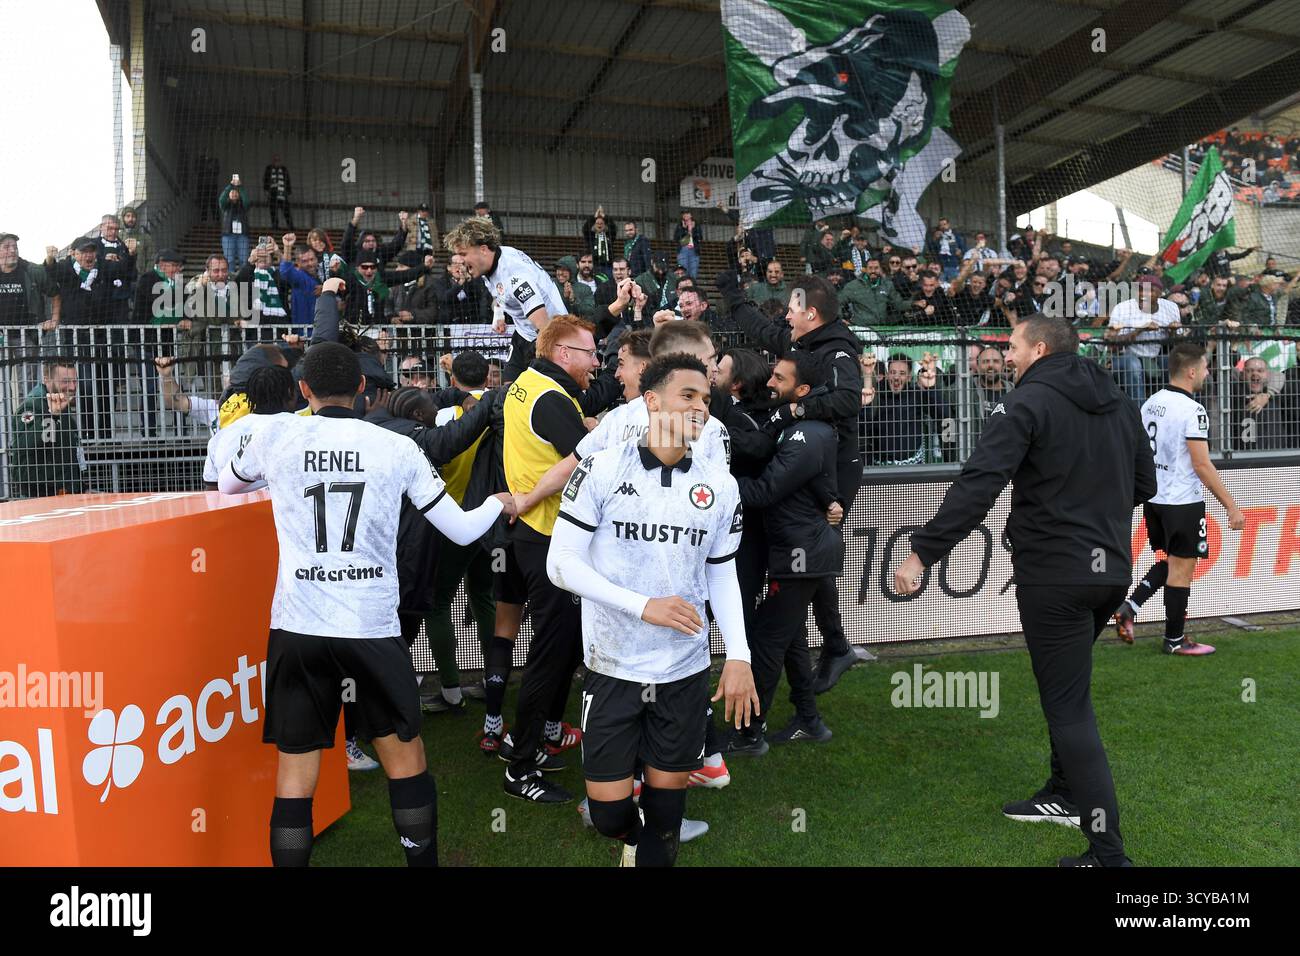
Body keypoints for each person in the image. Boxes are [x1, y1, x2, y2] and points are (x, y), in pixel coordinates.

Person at [217, 342, 518, 867]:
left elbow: (227, 483)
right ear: (362, 389)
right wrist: (499, 501)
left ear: (304, 390)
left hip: (299, 627)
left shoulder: (278, 434)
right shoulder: (395, 447)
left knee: (295, 772)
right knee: (405, 760)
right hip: (371, 628)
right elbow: (463, 528)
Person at [895, 314, 1157, 867]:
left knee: (1070, 709)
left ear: (1038, 349)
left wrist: (923, 551)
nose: (1004, 356)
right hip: (1108, 572)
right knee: (1068, 697)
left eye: (1010, 347)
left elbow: (978, 483)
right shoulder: (1119, 402)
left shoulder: (1027, 402)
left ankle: (1110, 855)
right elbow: (1144, 485)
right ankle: (1063, 794)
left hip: (1055, 577)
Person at [546, 353, 758, 866]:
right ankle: (630, 841)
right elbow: (561, 565)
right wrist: (644, 607)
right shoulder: (602, 466)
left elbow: (721, 573)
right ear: (651, 400)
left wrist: (739, 655)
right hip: (613, 667)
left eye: (706, 399)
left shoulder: (720, 486)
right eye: (687, 395)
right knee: (609, 816)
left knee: (666, 817)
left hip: (683, 672)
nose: (700, 408)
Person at [717, 271, 867, 692]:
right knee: (805, 557)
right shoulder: (802, 345)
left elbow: (847, 399)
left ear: (812, 315)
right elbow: (761, 328)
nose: (785, 314)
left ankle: (825, 645)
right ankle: (829, 648)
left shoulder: (836, 352)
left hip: (832, 468)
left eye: (793, 309)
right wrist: (732, 293)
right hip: (809, 466)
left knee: (810, 553)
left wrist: (792, 412)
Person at [498, 315, 603, 802]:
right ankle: (520, 767)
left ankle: (541, 736)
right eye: (589, 353)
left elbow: (571, 431)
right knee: (550, 655)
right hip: (548, 539)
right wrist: (598, 430)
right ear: (564, 354)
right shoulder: (552, 398)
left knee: (561, 651)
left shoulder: (528, 380)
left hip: (537, 537)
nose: (596, 362)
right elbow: (588, 458)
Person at [724, 351, 841, 756]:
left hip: (800, 556)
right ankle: (809, 720)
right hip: (796, 552)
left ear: (802, 390)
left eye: (779, 377)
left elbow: (763, 492)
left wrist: (714, 482)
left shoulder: (805, 434)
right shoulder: (799, 429)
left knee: (767, 641)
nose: (770, 383)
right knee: (790, 638)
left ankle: (749, 733)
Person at [1114, 343, 1246, 654]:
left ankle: (1129, 608)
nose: (1207, 372)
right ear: (1190, 371)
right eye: (1204, 367)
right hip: (1182, 501)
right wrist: (1231, 505)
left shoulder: (1151, 402)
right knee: (1182, 571)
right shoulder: (1193, 410)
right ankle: (1174, 640)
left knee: (1171, 562)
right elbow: (1201, 464)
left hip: (1155, 499)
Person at [444, 216, 565, 384]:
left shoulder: (514, 274)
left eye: (463, 254)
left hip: (547, 336)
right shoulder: (491, 262)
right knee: (508, 389)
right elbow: (500, 292)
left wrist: (551, 360)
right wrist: (499, 314)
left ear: (483, 249)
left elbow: (543, 322)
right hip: (524, 333)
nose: (460, 261)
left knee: (531, 392)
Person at [202, 365, 298, 489]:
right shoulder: (301, 430)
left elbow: (212, 491)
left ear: (250, 396)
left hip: (234, 507)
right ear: (291, 392)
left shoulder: (220, 438)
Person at [8, 361, 86, 499]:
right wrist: (52, 415)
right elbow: (24, 445)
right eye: (66, 381)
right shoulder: (31, 406)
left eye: (75, 381)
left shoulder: (62, 403)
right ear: (46, 380)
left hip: (66, 493)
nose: (73, 387)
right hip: (41, 497)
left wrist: (81, 487)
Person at [218, 176, 252, 269]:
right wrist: (230, 185)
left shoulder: (243, 205)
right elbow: (221, 199)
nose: (234, 193)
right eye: (231, 192)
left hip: (242, 235)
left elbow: (247, 201)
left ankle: (244, 283)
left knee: (244, 260)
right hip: (228, 235)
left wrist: (240, 187)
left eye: (236, 192)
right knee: (229, 260)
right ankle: (230, 282)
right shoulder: (226, 205)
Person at [263, 156, 294, 231]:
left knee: (286, 210)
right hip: (272, 193)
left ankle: (290, 227)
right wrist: (266, 190)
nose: (277, 162)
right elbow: (266, 179)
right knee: (273, 211)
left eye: (278, 160)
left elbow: (287, 180)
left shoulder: (284, 169)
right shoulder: (269, 168)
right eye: (275, 160)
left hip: (282, 193)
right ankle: (275, 226)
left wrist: (288, 191)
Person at [674, 211, 703, 278]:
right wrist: (684, 229)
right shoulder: (680, 226)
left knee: (693, 272)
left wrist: (691, 230)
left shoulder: (697, 225)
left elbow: (700, 238)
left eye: (687, 213)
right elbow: (676, 238)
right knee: (683, 271)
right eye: (684, 214)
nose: (686, 215)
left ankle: (692, 287)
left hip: (694, 251)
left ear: (691, 215)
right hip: (683, 251)